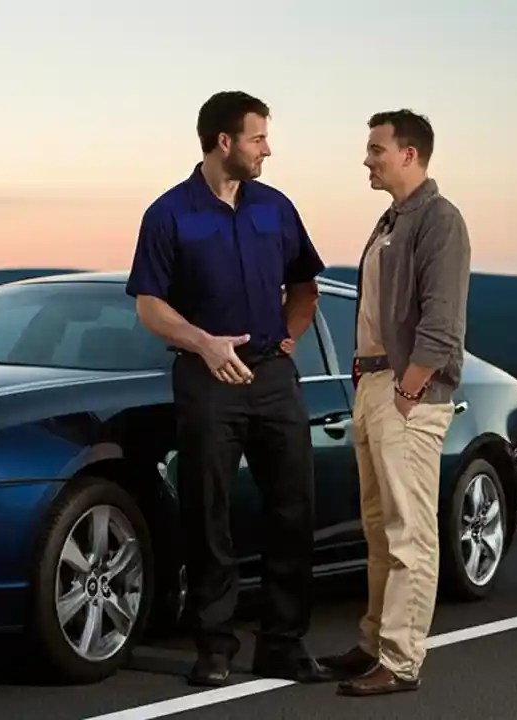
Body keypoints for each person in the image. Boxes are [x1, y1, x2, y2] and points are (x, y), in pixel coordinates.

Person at [126, 90, 334, 687]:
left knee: (294, 509)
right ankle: (214, 647)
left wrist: (288, 341)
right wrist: (205, 344)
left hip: (272, 377)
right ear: (225, 142)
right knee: (208, 513)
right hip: (205, 376)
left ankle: (284, 645)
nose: (267, 148)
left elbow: (304, 285)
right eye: (258, 137)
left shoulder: (276, 208)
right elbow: (149, 305)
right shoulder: (169, 214)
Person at [319, 109, 471, 696]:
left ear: (409, 154)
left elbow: (442, 319)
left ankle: (401, 661)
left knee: (409, 532)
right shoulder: (390, 220)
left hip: (408, 393)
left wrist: (410, 390)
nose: (367, 158)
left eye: (376, 148)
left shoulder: (440, 221)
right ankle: (373, 643)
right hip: (373, 387)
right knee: (379, 529)